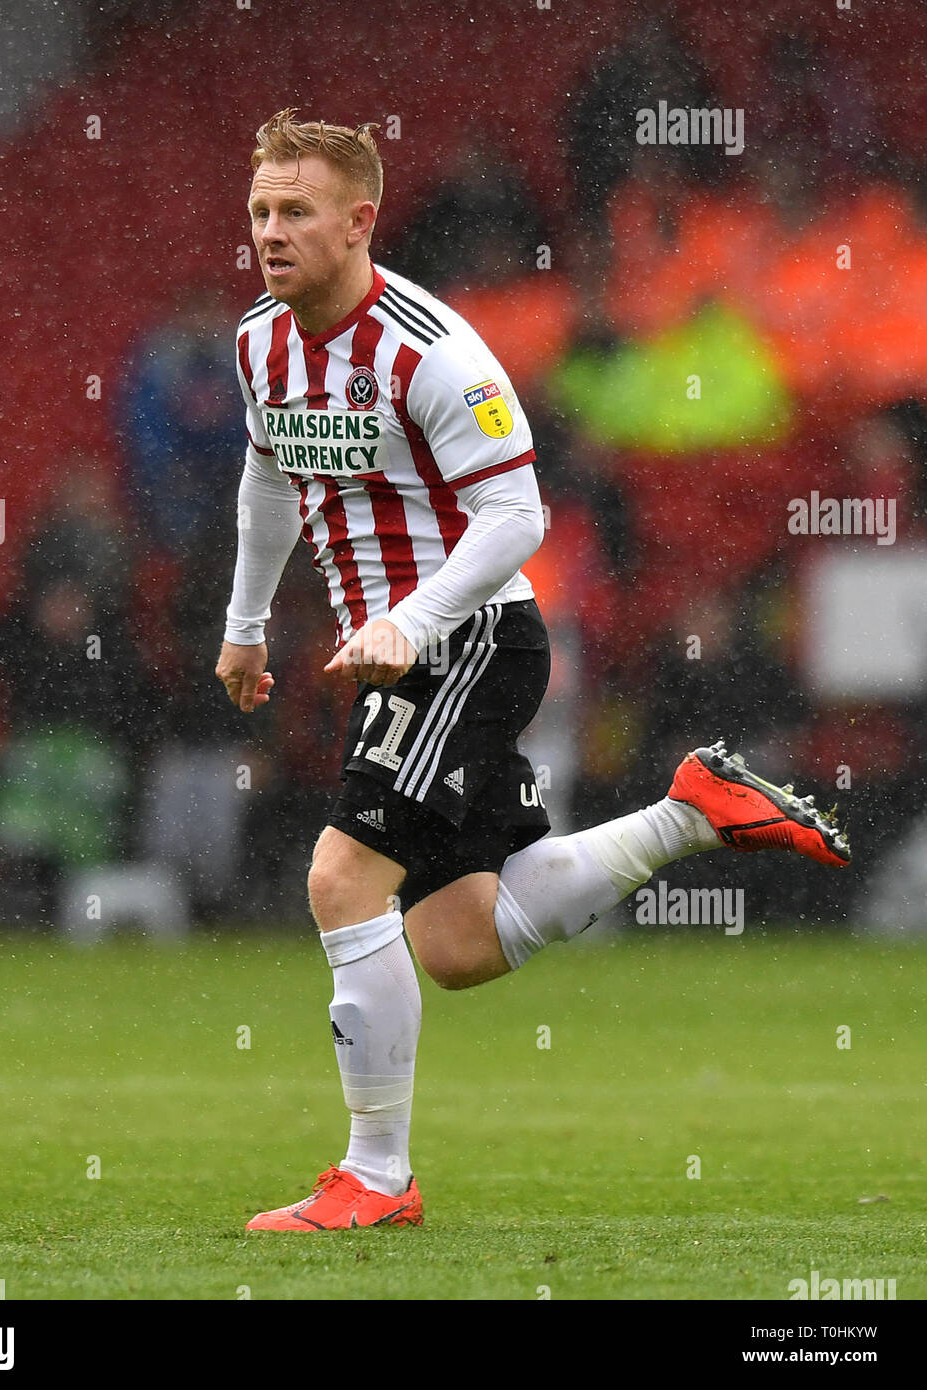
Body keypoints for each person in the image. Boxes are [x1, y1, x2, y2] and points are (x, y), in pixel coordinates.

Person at [215, 109, 850, 1231]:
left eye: (295, 210)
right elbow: (269, 479)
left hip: (470, 641)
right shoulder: (260, 340)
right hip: (399, 652)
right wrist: (247, 621)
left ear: (358, 221)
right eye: (261, 209)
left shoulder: (431, 347)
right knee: (456, 942)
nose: (270, 230)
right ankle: (687, 813)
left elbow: (518, 514)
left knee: (339, 880)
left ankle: (375, 1176)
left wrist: (412, 621)